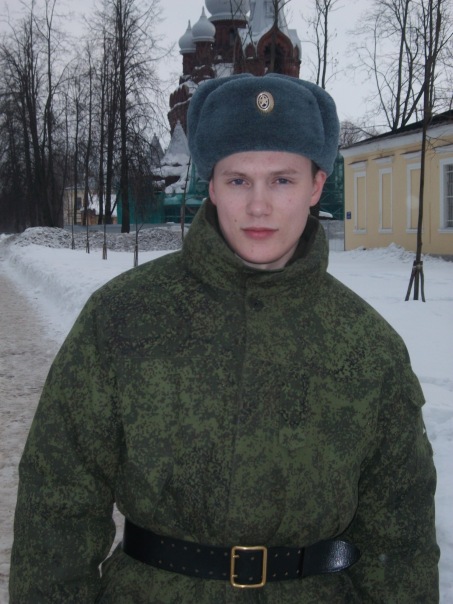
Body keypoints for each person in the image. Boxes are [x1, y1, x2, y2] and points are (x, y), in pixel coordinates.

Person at [10, 74, 439, 603]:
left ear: (316, 186)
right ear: (210, 186)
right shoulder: (124, 317)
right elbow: (59, 502)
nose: (258, 205)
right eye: (238, 181)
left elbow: (399, 540)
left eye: (282, 180)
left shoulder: (367, 346)